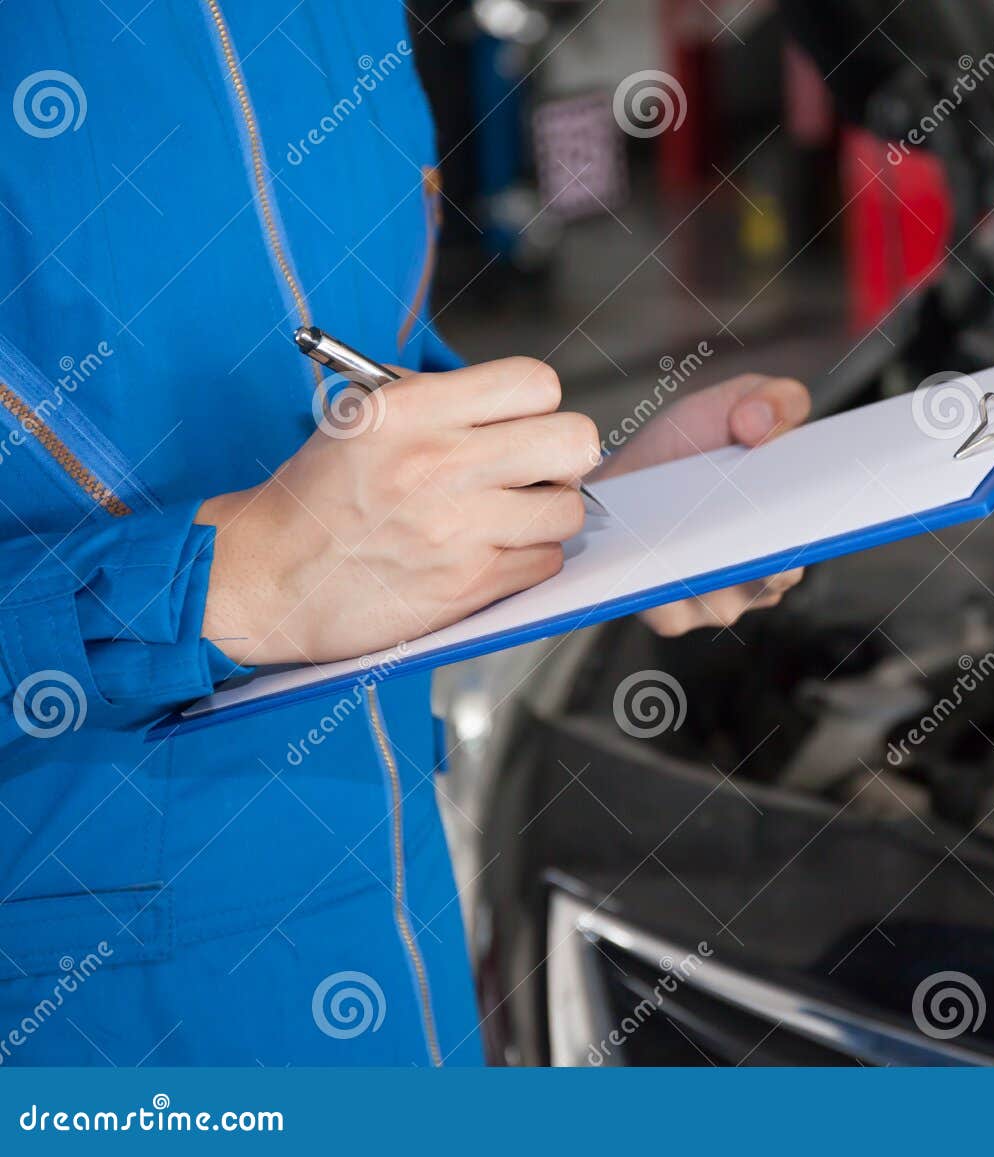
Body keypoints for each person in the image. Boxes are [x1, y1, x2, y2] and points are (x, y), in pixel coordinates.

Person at [0, 4, 807, 1065]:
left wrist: (588, 509)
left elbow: (359, 409)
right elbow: (295, 548)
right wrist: (230, 585)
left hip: (398, 958)